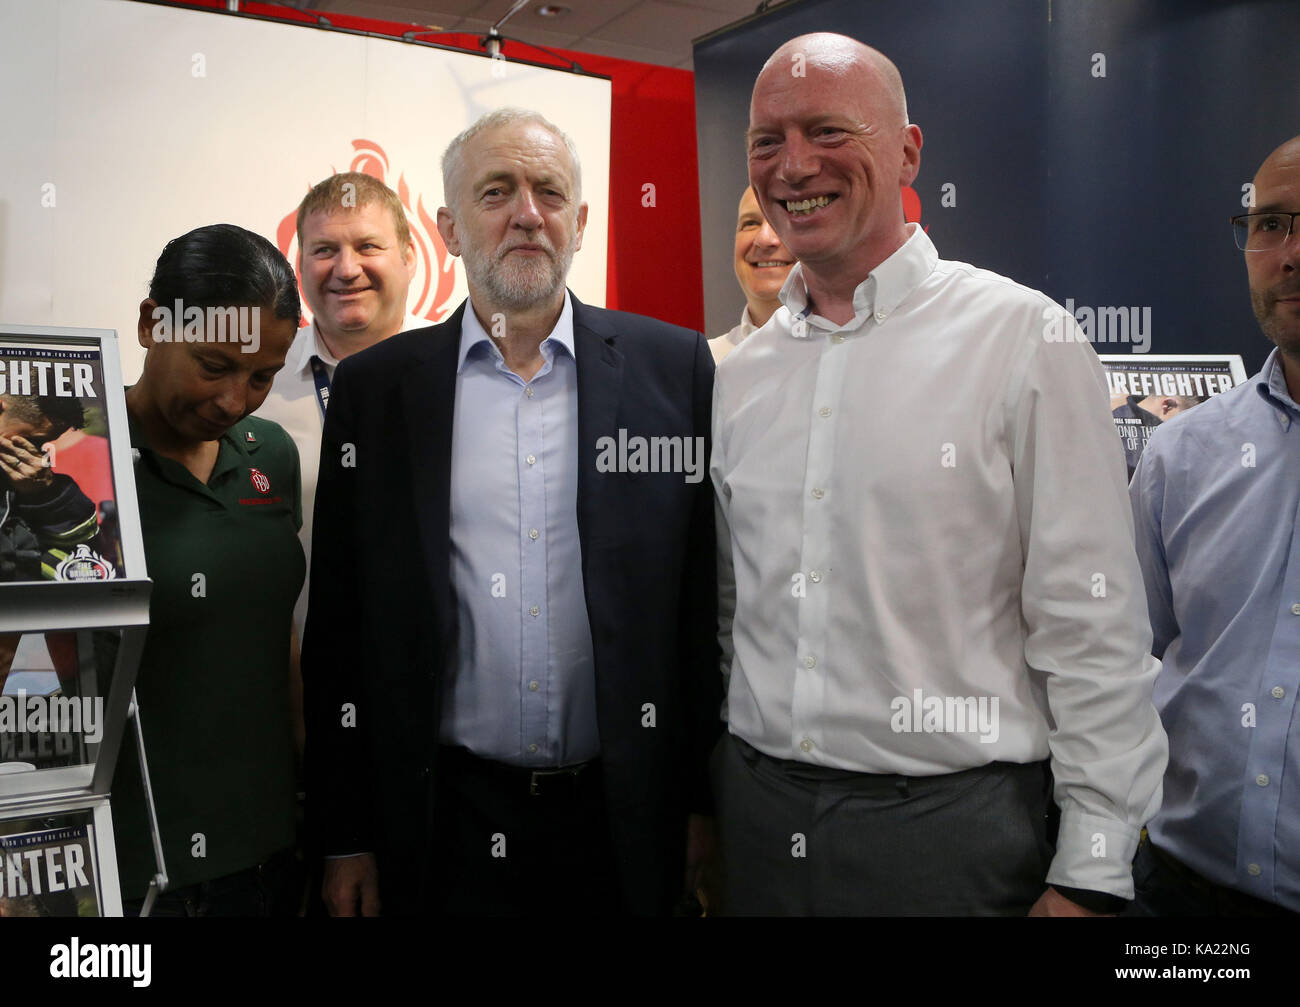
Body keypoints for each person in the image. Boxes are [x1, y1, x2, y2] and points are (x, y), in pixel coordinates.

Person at [710, 33, 1167, 916]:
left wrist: (1094, 868)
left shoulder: (1023, 340)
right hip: (760, 822)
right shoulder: (742, 375)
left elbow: (1092, 624)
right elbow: (737, 612)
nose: (794, 165)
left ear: (909, 150)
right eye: (767, 140)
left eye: (827, 130)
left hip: (950, 839)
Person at [303, 108, 721, 917]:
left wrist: (701, 803)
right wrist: (344, 833)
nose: (528, 212)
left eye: (549, 191)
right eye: (498, 191)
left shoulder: (673, 372)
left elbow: (695, 609)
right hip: (444, 819)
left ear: (581, 222)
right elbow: (342, 634)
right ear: (450, 228)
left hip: (620, 821)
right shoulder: (379, 394)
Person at [110, 223, 305, 916]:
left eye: (262, 376)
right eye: (213, 364)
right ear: (150, 323)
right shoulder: (69, 460)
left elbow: (273, 636)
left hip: (268, 861)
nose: (233, 400)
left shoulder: (270, 455)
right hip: (128, 869)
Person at [1129, 135, 1300, 916]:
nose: (1289, 252)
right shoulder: (1181, 453)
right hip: (1179, 897)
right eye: (1269, 223)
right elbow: (1129, 658)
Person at [255, 172, 420, 647]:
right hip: (296, 679)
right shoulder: (257, 384)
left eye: (368, 246)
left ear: (409, 258)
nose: (346, 269)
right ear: (299, 265)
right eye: (325, 250)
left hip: (435, 684)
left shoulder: (463, 371)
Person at [0, 391, 97, 583]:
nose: (37, 454)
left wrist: (47, 494)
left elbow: (82, 557)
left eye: (44, 444)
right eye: (33, 440)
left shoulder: (40, 483)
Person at [709, 186, 794, 364]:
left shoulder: (854, 354)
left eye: (782, 220)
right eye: (750, 223)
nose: (763, 239)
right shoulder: (706, 362)